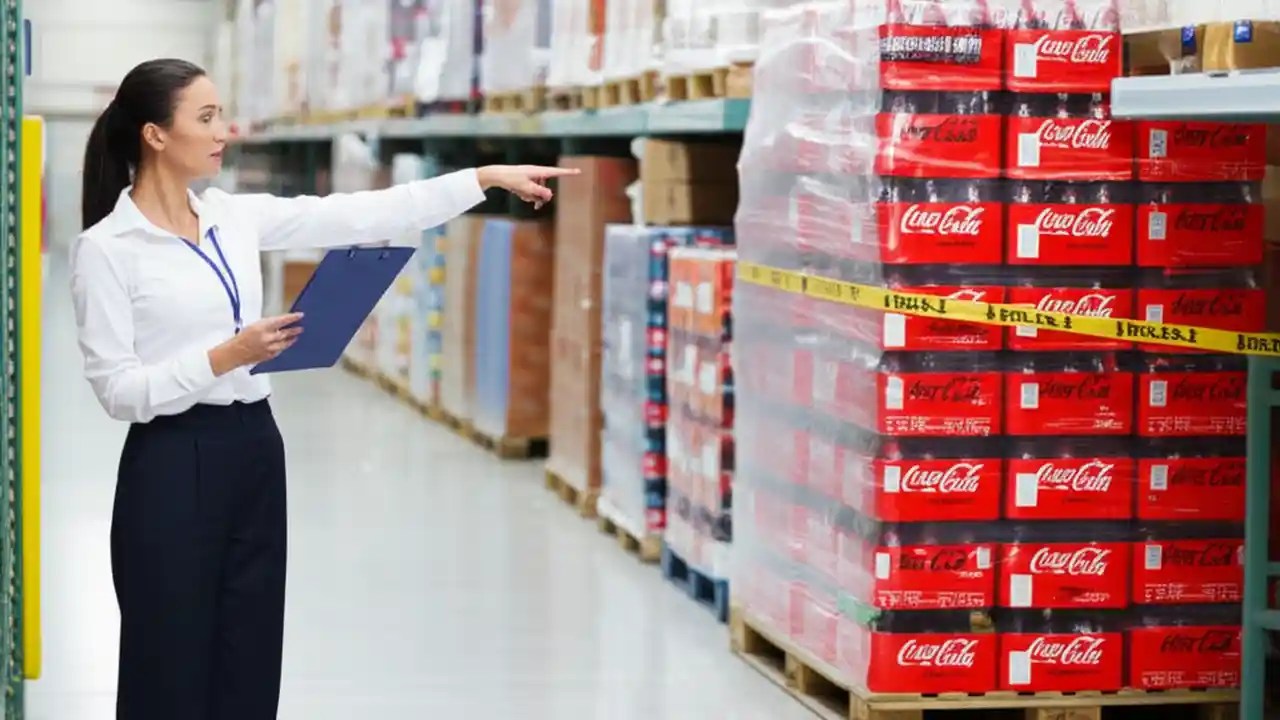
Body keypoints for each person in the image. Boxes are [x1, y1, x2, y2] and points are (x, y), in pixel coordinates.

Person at [69, 58, 576, 720]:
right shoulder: (108, 249)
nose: (225, 129)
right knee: (167, 663)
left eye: (222, 113)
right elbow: (119, 391)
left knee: (248, 655)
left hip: (253, 449)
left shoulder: (232, 217)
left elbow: (358, 211)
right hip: (170, 462)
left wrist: (480, 179)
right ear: (155, 135)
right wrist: (227, 356)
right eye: (206, 117)